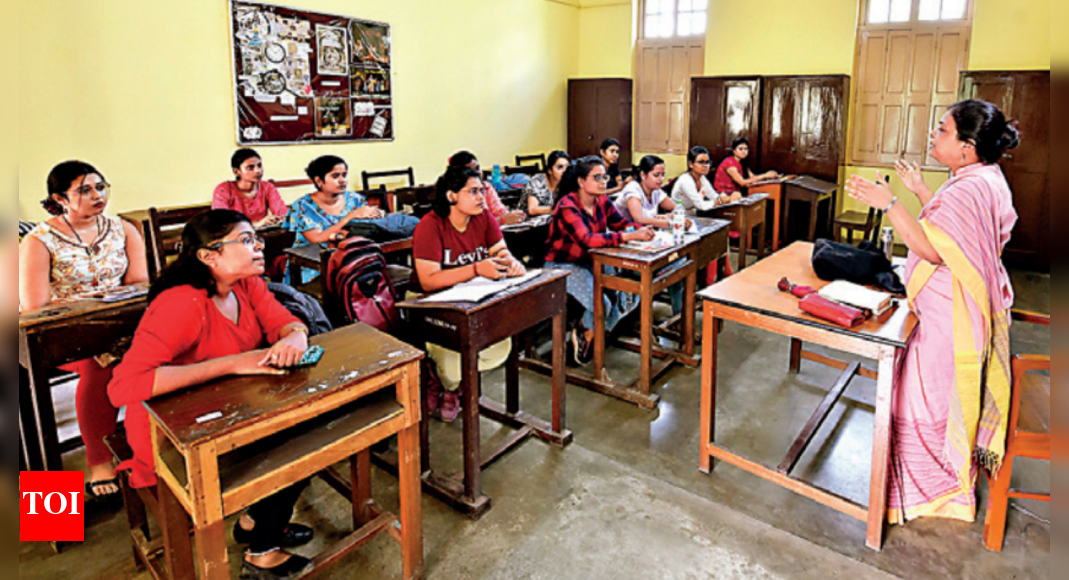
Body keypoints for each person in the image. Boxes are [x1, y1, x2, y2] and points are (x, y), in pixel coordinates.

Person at [109, 210, 315, 579]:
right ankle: (261, 553)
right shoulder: (182, 303)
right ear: (209, 255)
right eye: (246, 240)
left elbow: (282, 320)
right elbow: (124, 386)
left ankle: (255, 522)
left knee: (314, 428)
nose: (258, 247)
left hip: (229, 411)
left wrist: (296, 335)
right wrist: (233, 364)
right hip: (172, 434)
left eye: (257, 239)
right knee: (298, 446)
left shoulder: (246, 284)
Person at [845, 100, 1020, 525]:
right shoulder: (982, 178)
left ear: (968, 146)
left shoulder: (969, 187)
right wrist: (922, 191)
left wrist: (890, 204)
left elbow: (930, 248)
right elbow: (951, 229)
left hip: (949, 321)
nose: (933, 135)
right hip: (953, 312)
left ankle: (932, 494)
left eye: (943, 130)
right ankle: (942, 487)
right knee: (935, 399)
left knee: (920, 403)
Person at [19, 161, 149, 504]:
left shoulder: (123, 229)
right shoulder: (39, 241)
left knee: (153, 353)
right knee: (100, 364)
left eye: (101, 187)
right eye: (85, 190)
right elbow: (36, 306)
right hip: (64, 332)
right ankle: (99, 463)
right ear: (60, 198)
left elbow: (139, 283)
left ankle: (149, 446)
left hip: (119, 323)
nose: (97, 196)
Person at [413, 167, 527, 422]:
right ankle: (447, 384)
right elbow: (428, 281)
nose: (481, 198)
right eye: (474, 192)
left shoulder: (483, 218)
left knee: (500, 347)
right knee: (453, 367)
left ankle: (452, 386)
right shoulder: (430, 226)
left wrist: (511, 263)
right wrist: (476, 268)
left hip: (473, 299)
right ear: (452, 195)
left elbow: (500, 252)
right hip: (433, 303)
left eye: (482, 191)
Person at [543, 156, 655, 366]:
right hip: (562, 266)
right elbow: (587, 240)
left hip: (591, 260)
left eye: (605, 177)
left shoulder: (602, 201)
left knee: (631, 293)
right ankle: (590, 335)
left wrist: (643, 230)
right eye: (597, 177)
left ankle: (588, 329)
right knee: (601, 302)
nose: (604, 182)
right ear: (581, 181)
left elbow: (620, 223)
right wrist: (627, 237)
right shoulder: (567, 206)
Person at [285, 155, 420, 283]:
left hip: (354, 257)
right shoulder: (303, 206)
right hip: (315, 265)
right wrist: (350, 217)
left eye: (344, 175)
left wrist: (378, 215)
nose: (342, 180)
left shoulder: (354, 199)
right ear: (319, 181)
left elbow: (365, 227)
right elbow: (316, 239)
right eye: (335, 176)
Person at [615, 155, 690, 315]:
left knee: (680, 261)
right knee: (675, 264)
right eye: (656, 175)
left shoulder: (656, 191)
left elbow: (674, 207)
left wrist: (679, 214)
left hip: (645, 244)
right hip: (624, 246)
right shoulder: (633, 189)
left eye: (662, 175)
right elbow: (639, 218)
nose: (660, 179)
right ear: (643, 175)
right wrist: (672, 222)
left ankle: (679, 316)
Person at [212, 148, 289, 229]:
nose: (257, 171)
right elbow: (221, 222)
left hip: (261, 235)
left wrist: (277, 220)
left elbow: (282, 212)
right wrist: (256, 224)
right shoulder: (224, 190)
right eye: (250, 167)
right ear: (236, 171)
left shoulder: (267, 187)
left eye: (259, 165)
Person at [448, 151, 526, 226]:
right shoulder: (458, 194)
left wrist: (512, 216)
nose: (478, 173)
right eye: (471, 170)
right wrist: (502, 220)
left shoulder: (486, 186)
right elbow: (473, 227)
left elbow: (500, 211)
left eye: (478, 168)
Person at [672, 146, 741, 213]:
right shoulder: (685, 180)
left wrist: (728, 198)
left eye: (707, 162)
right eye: (701, 162)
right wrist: (720, 201)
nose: (705, 166)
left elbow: (714, 196)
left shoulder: (702, 179)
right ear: (690, 164)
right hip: (679, 216)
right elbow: (700, 205)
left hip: (693, 214)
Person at [713, 137, 779, 195]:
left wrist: (770, 176)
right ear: (734, 151)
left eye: (746, 149)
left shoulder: (742, 162)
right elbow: (742, 182)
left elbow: (752, 177)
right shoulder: (729, 163)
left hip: (736, 193)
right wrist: (765, 175)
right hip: (724, 194)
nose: (744, 151)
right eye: (740, 149)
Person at [519, 150, 570, 217]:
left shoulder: (567, 182)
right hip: (527, 222)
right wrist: (555, 209)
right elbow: (532, 210)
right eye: (560, 167)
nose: (564, 171)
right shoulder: (537, 181)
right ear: (549, 170)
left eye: (567, 167)